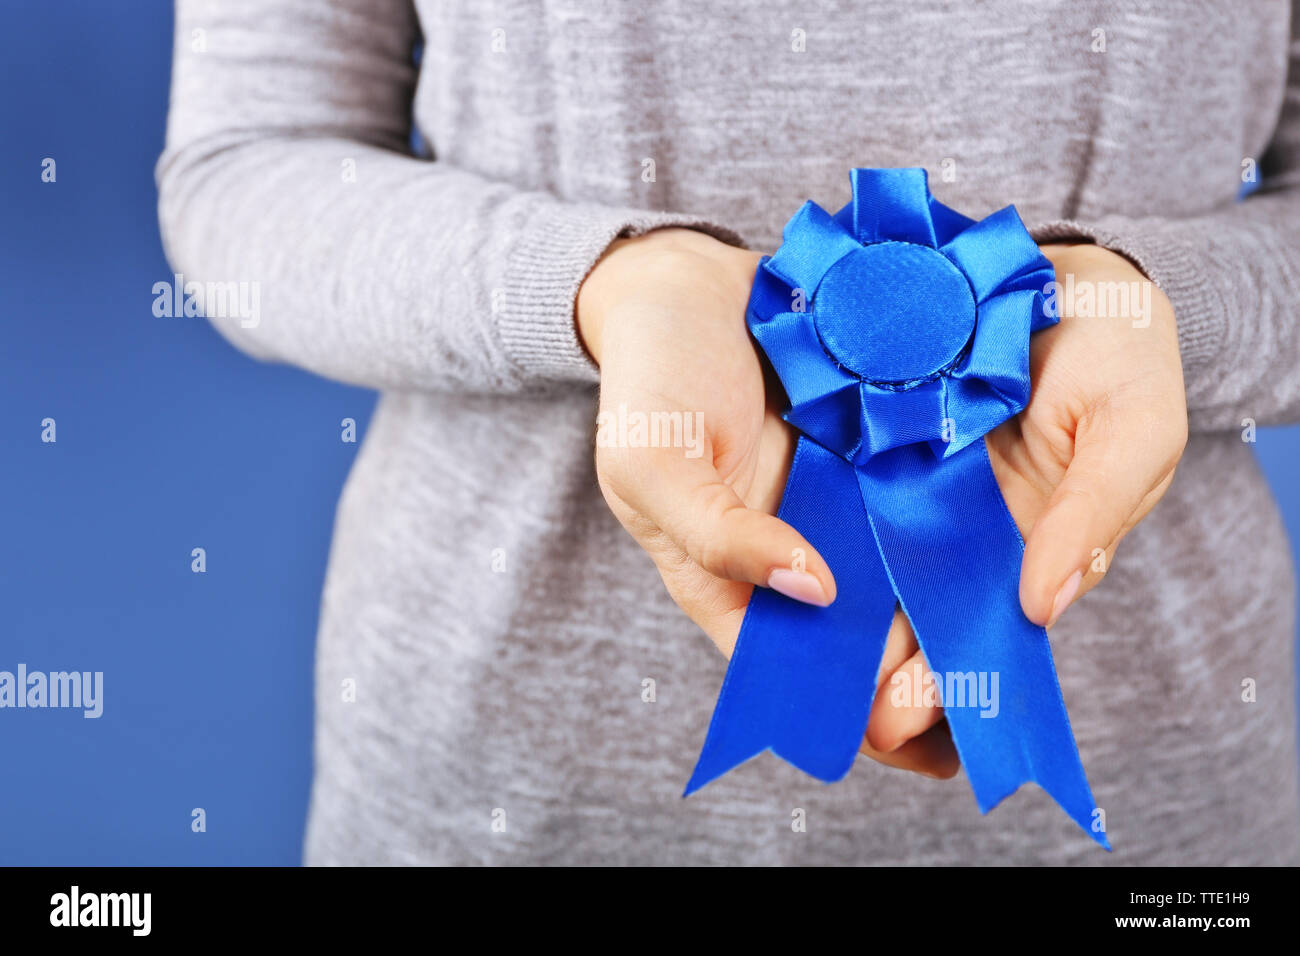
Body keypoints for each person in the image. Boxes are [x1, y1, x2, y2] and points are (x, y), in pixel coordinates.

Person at [158, 0, 1300, 864]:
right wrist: (604, 286)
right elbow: (245, 167)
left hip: (1165, 807)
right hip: (505, 790)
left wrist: (1156, 305)